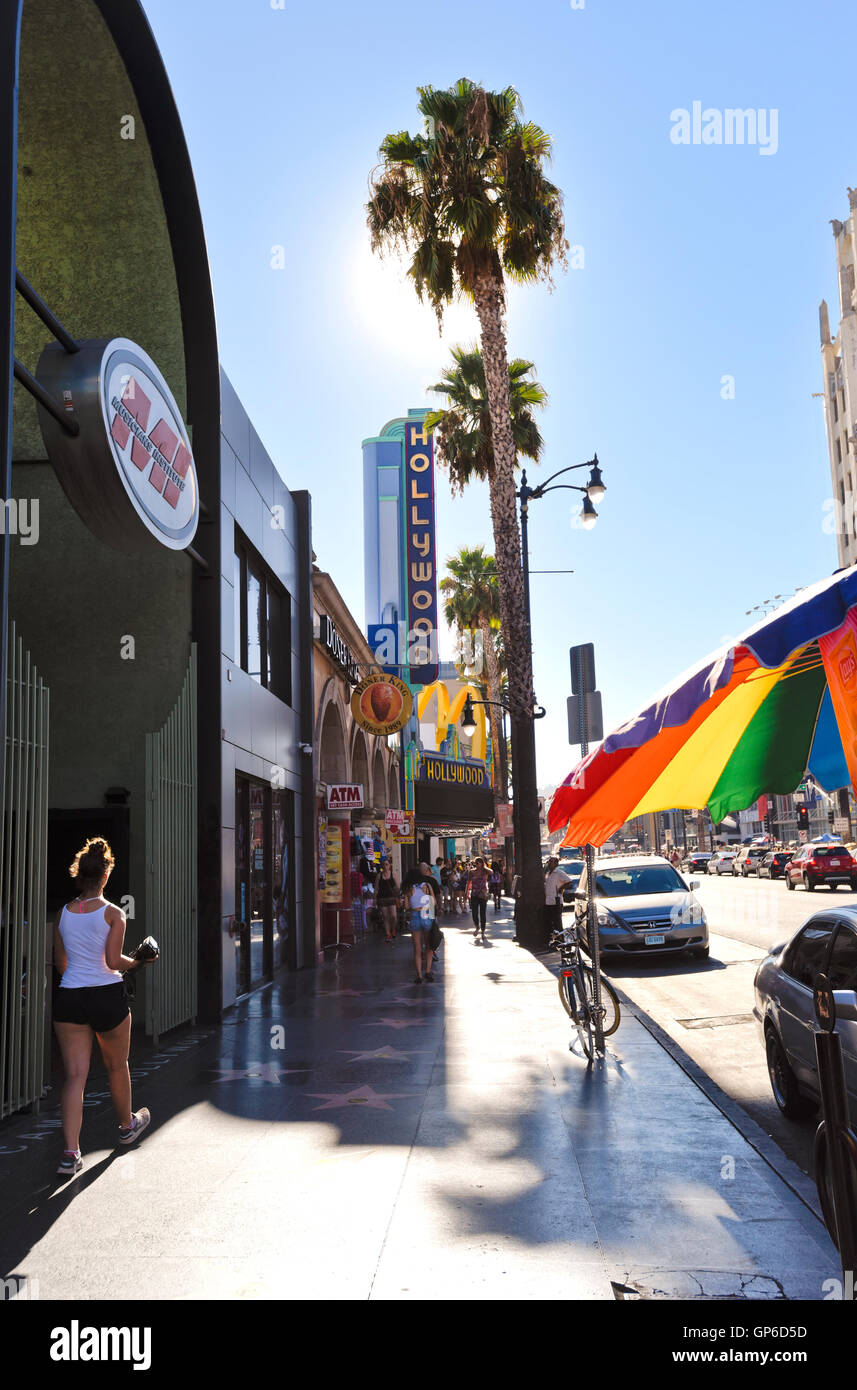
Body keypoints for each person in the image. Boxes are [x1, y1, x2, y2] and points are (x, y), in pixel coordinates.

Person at [52, 837, 158, 1176]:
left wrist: (80, 982)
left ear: (80, 875)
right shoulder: (114, 913)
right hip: (106, 996)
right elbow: (114, 961)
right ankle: (127, 1127)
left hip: (70, 996)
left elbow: (61, 964)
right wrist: (140, 961)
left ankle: (70, 1154)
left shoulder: (64, 913)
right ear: (106, 876)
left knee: (75, 1076)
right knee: (116, 1065)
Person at [407, 875, 436, 983]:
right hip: (427, 914)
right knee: (429, 946)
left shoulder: (409, 888)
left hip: (415, 915)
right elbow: (434, 903)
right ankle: (428, 972)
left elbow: (406, 905)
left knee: (417, 948)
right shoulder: (427, 886)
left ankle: (419, 975)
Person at [544, 855, 573, 940]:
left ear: (556, 864)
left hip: (556, 901)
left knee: (558, 923)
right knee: (551, 923)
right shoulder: (548, 873)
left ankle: (561, 939)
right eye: (549, 862)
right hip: (548, 901)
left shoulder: (559, 872)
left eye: (551, 862)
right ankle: (555, 940)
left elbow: (569, 881)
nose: (549, 864)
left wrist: (561, 888)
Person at [374, 860, 401, 942]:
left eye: (386, 864)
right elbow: (376, 888)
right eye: (383, 864)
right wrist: (374, 899)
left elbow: (398, 887)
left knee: (393, 916)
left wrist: (398, 893)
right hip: (382, 898)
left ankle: (393, 929)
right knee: (385, 917)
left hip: (392, 898)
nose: (385, 866)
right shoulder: (379, 875)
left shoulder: (393, 875)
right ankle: (388, 933)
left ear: (390, 865)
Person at [467, 857, 491, 940]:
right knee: (474, 914)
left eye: (479, 862)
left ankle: (483, 932)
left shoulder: (485, 871)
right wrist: (467, 894)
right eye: (476, 862)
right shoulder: (472, 872)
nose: (477, 864)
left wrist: (484, 867)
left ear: (482, 863)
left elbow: (491, 872)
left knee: (482, 913)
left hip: (483, 895)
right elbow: (468, 882)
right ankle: (477, 927)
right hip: (474, 895)